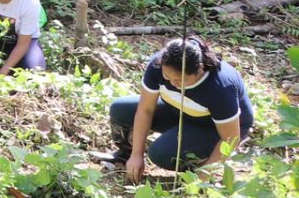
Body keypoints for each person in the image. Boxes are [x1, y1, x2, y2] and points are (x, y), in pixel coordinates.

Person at [107, 36, 254, 180]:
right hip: (179, 110)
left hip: (216, 128)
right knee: (121, 110)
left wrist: (206, 173)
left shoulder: (220, 87)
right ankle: (125, 157)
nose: (171, 83)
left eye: (178, 80)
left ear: (200, 69)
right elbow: (146, 110)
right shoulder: (159, 65)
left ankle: (199, 165)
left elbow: (230, 138)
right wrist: (136, 155)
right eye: (166, 76)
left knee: (161, 153)